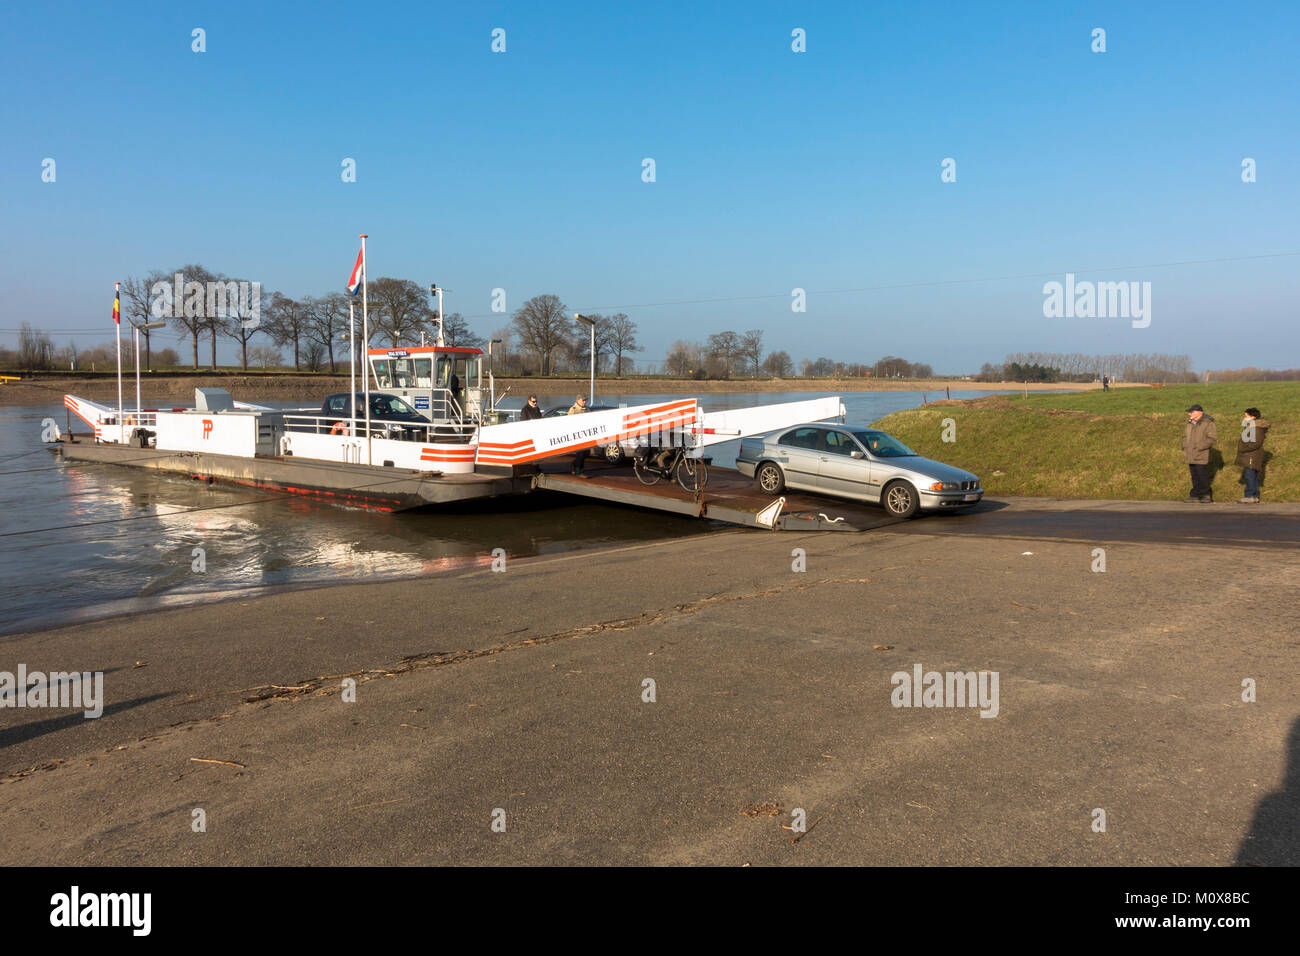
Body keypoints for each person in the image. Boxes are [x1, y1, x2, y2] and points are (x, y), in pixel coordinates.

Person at [1181, 404, 1217, 502]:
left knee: (1202, 475)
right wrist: (1185, 446)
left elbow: (1212, 438)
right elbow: (1185, 436)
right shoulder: (1190, 423)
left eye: (1192, 412)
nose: (1189, 414)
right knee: (1194, 476)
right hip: (1190, 453)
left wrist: (1200, 447)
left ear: (1199, 412)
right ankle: (1195, 495)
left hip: (1201, 454)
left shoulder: (1208, 423)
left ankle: (1206, 495)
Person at [1235, 407, 1270, 504]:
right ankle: (1254, 496)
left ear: (1252, 416)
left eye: (1246, 416)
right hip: (1250, 455)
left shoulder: (1256, 428)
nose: (1244, 417)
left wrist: (1243, 448)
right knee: (1252, 475)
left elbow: (1256, 443)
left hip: (1251, 455)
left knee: (1249, 475)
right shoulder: (1251, 426)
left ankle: (1250, 495)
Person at [568, 394, 590, 477]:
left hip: (586, 435)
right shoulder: (573, 410)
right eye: (583, 400)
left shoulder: (587, 409)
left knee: (586, 453)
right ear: (578, 400)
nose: (584, 402)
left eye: (585, 400)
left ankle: (574, 464)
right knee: (580, 453)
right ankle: (579, 472)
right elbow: (569, 422)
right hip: (577, 435)